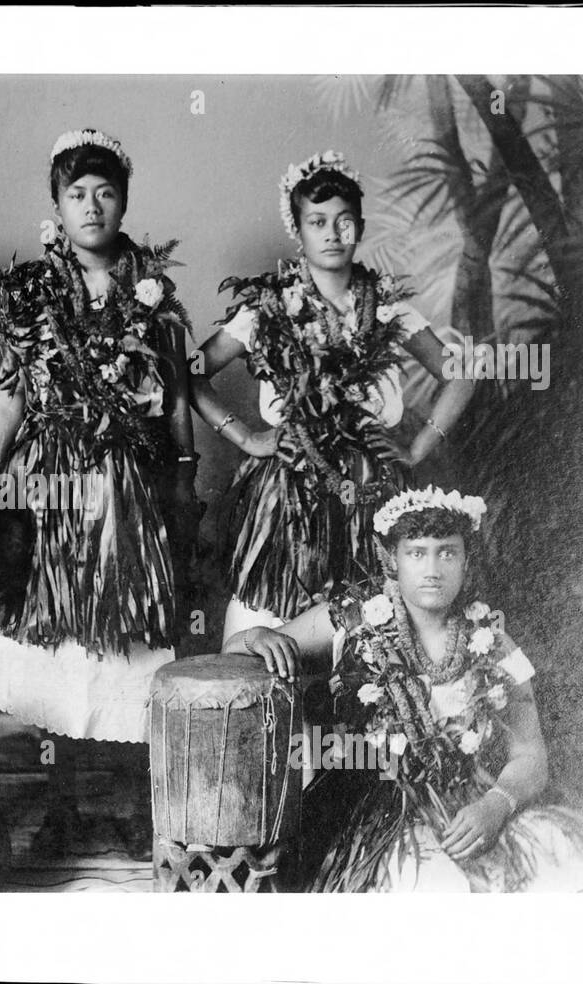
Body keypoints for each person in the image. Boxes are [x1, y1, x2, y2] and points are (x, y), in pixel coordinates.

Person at [0, 129, 200, 858]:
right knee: (61, 645)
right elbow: (9, 397)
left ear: (123, 200)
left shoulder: (151, 292)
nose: (91, 206)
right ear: (56, 206)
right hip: (49, 491)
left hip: (128, 491)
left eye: (104, 192)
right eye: (76, 194)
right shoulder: (33, 291)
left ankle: (129, 803)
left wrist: (186, 471)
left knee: (124, 647)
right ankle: (62, 806)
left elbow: (178, 394)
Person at [225, 486, 583, 892]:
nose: (432, 569)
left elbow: (531, 754)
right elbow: (237, 649)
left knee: (566, 863)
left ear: (466, 560)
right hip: (365, 809)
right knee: (432, 886)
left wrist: (498, 804)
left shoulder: (495, 641)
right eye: (416, 553)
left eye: (447, 552)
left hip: (468, 806)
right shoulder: (351, 619)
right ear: (392, 560)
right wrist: (255, 638)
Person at [191, 151, 475, 642]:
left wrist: (416, 448)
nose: (332, 233)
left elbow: (462, 372)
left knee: (367, 621)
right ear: (298, 231)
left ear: (360, 228)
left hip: (370, 485)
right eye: (317, 221)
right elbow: (190, 373)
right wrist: (247, 438)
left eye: (344, 221)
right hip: (288, 489)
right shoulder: (268, 308)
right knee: (271, 617)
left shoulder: (387, 307)